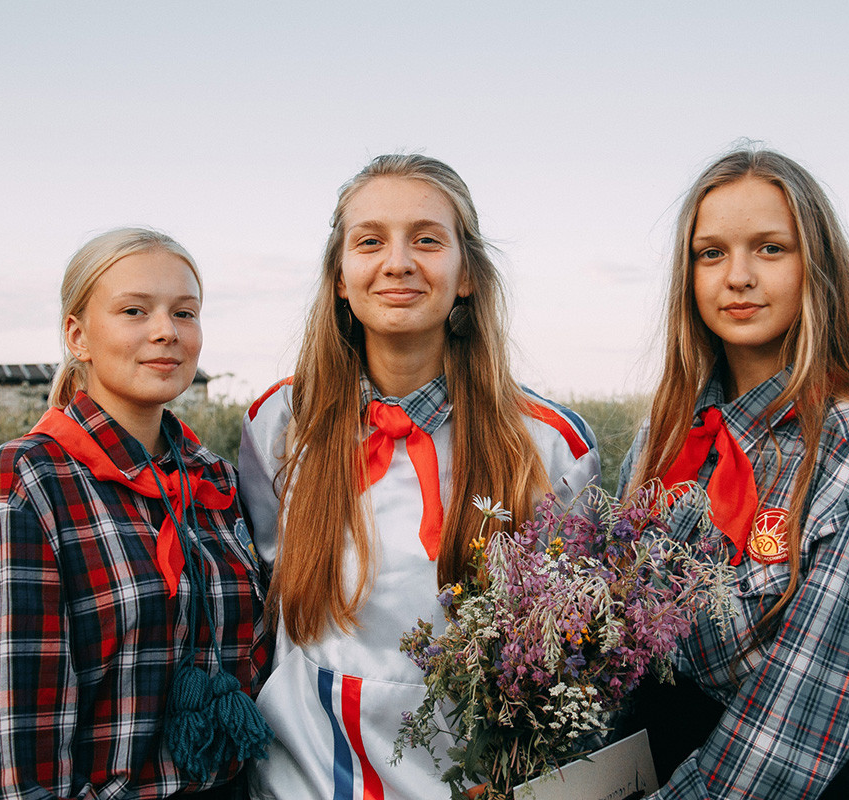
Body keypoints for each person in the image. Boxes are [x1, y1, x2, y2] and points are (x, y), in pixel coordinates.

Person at [619, 147, 849, 799]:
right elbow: (619, 646)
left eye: (770, 249)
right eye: (711, 253)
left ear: (817, 266)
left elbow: (803, 714)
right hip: (656, 763)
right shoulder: (665, 436)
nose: (737, 277)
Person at [239, 154, 600, 800]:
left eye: (427, 239)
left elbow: (574, 660)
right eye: (370, 240)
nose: (398, 262)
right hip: (302, 784)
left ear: (465, 275)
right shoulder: (280, 424)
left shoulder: (547, 444)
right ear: (341, 279)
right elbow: (264, 616)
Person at [0, 228, 271, 800]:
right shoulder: (27, 483)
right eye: (135, 310)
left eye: (185, 312)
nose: (166, 331)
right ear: (78, 336)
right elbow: (1, 750)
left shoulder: (214, 479)